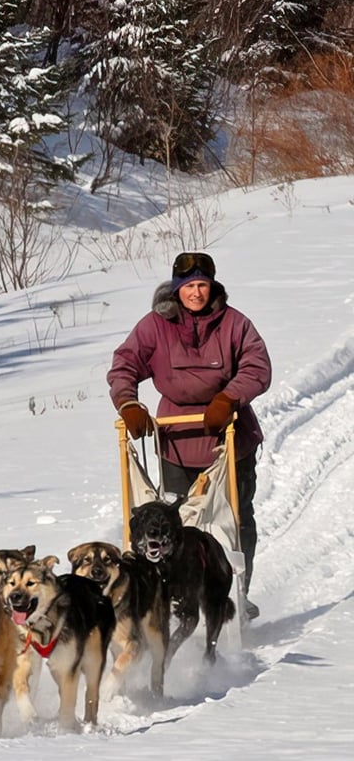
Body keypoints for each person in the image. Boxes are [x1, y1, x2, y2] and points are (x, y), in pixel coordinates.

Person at [107, 251, 272, 618]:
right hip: (176, 442)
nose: (196, 293)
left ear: (211, 286)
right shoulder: (155, 326)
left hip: (228, 438)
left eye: (202, 285)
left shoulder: (234, 324)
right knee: (173, 524)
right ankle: (176, 595)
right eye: (189, 286)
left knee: (236, 520)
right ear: (176, 289)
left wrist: (229, 397)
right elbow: (124, 365)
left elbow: (258, 366)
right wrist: (128, 404)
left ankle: (237, 592)